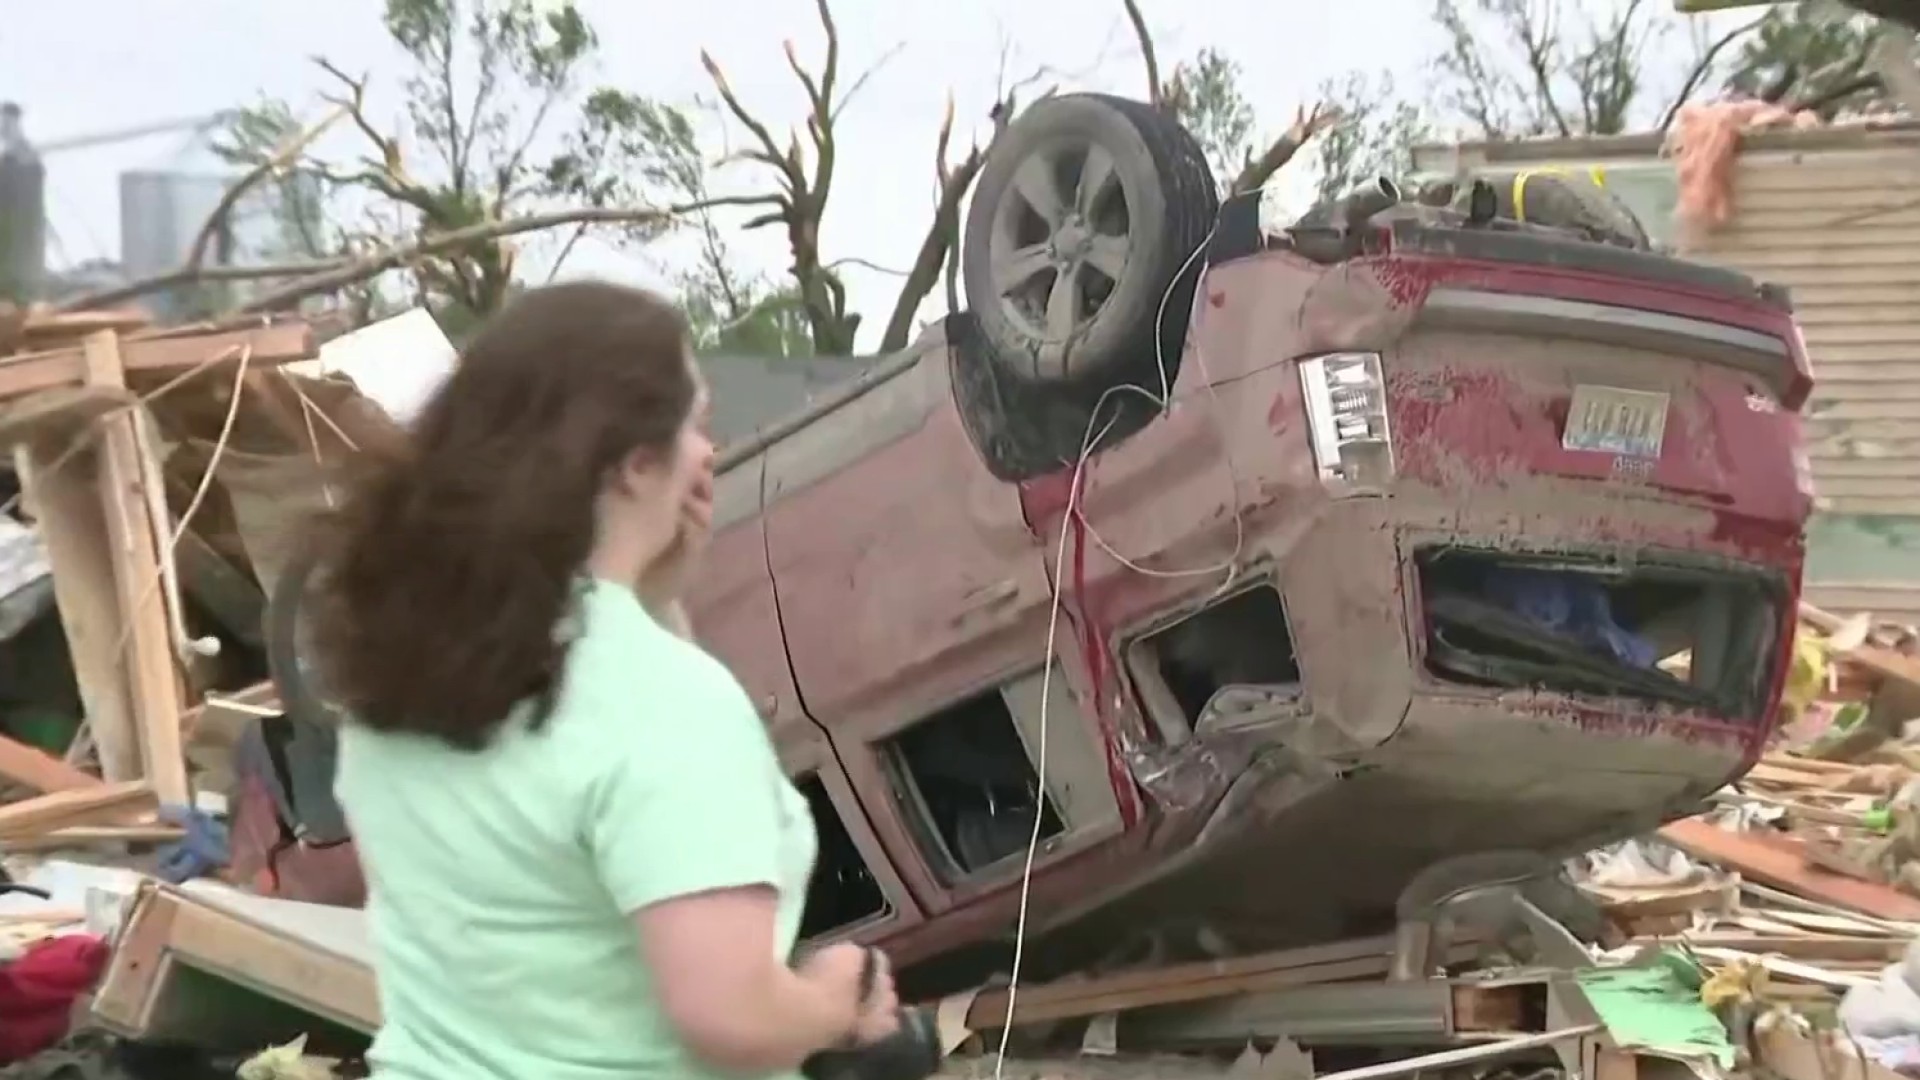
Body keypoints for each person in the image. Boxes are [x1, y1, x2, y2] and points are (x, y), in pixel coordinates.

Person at [312, 281, 899, 1079]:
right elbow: (730, 1014)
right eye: (693, 424)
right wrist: (840, 1001)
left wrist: (653, 596)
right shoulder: (664, 704)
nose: (708, 451)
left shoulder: (397, 681)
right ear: (634, 464)